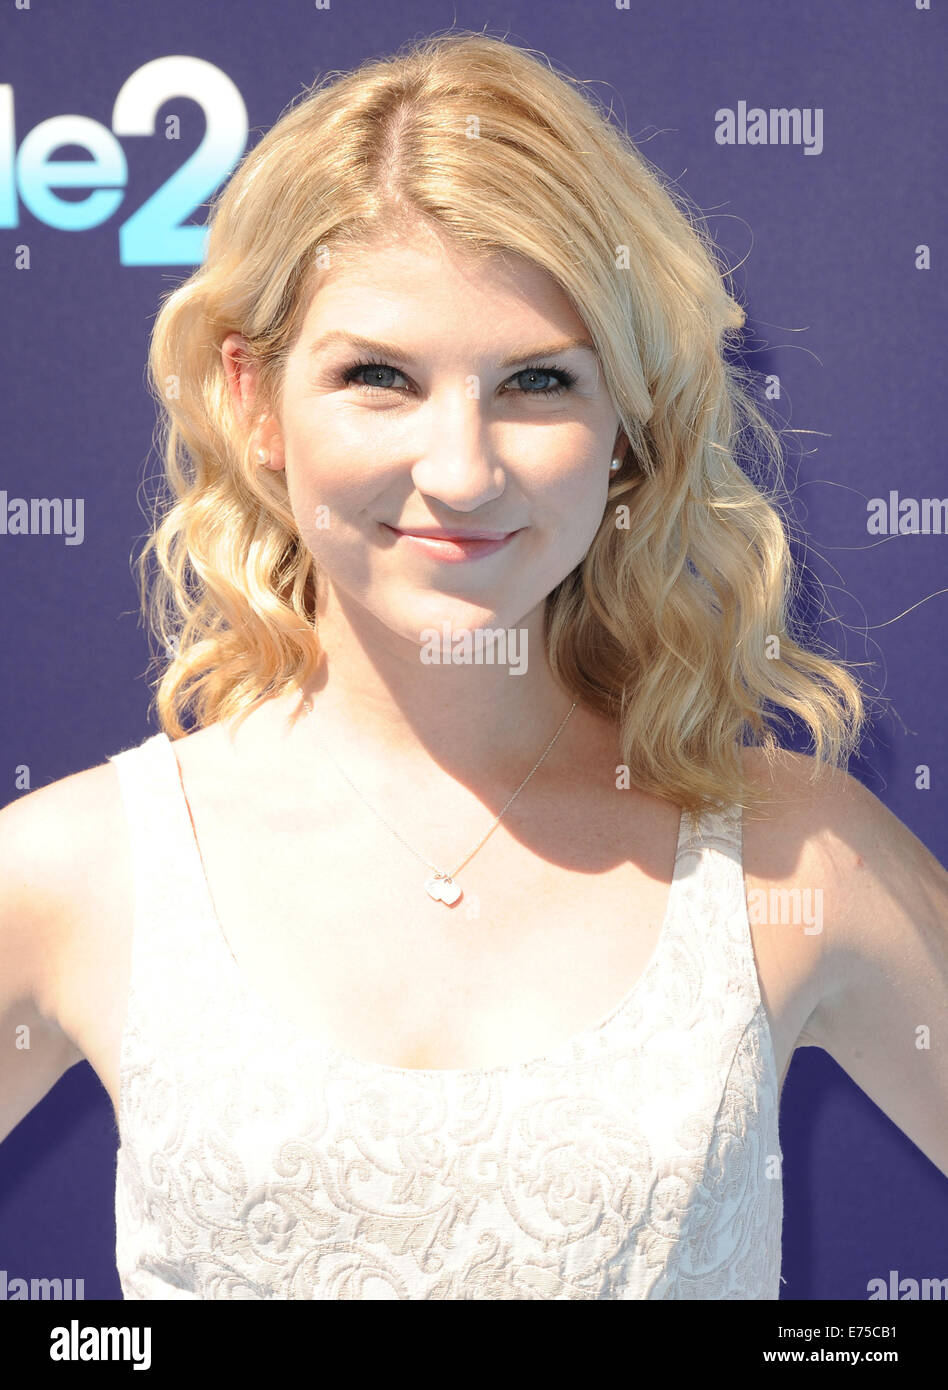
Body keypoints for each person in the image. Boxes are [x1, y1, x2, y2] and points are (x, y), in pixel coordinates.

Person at [1, 29, 946, 1301]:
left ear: (628, 424)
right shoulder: (71, 875)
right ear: (254, 403)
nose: (460, 469)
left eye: (539, 381)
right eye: (379, 377)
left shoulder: (798, 858)